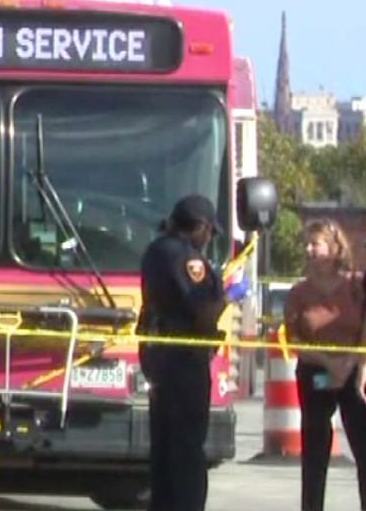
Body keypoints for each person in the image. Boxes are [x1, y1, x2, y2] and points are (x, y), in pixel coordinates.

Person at [136, 194, 226, 511]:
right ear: (200, 226)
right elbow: (202, 308)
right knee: (188, 447)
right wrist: (223, 301)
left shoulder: (155, 250)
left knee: (163, 444)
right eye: (209, 232)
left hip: (157, 353)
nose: (209, 238)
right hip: (184, 357)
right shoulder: (189, 259)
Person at [283, 219, 366, 511]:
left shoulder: (356, 285)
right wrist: (325, 361)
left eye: (316, 244)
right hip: (316, 373)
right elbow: (294, 338)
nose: (310, 250)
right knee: (314, 450)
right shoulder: (298, 293)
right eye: (307, 245)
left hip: (354, 371)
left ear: (335, 248)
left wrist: (352, 362)